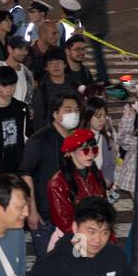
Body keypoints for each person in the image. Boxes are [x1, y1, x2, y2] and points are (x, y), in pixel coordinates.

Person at [20, 92, 82, 258]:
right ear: (55, 113)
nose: (74, 113)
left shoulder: (78, 140)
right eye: (68, 110)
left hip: (75, 217)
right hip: (46, 217)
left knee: (77, 264)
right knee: (49, 265)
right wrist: (32, 210)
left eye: (76, 110)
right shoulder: (39, 140)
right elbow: (26, 174)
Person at [46, 128, 108, 238]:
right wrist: (85, 246)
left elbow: (105, 210)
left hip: (98, 235)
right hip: (73, 239)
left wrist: (107, 236)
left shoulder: (97, 174)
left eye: (94, 149)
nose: (91, 155)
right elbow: (65, 224)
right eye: (85, 150)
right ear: (70, 153)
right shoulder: (58, 183)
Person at [79, 0, 112, 83]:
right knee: (97, 53)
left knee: (98, 55)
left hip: (95, 27)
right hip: (101, 25)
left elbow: (83, 9)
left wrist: (72, 16)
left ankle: (104, 79)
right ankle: (100, 76)